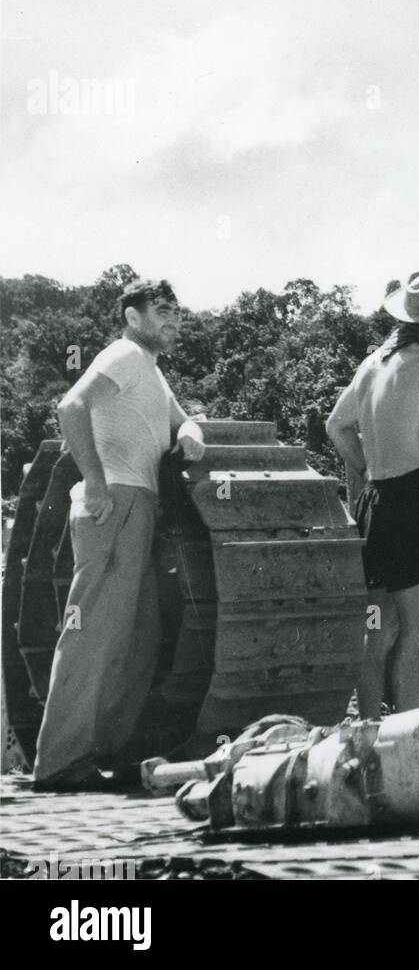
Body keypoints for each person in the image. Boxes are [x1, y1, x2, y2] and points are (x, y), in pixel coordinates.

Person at [33, 279, 206, 790]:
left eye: (177, 311)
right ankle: (61, 762)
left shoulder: (151, 370)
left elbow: (182, 422)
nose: (174, 319)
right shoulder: (125, 355)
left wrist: (191, 431)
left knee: (139, 637)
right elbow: (71, 406)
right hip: (116, 506)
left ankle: (100, 752)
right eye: (162, 311)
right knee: (94, 636)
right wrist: (95, 482)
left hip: (140, 508)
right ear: (133, 317)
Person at [327, 266, 419, 718]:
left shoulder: (371, 363)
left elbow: (336, 425)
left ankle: (371, 731)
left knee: (379, 628)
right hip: (409, 501)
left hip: (374, 502)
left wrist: (367, 469)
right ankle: (409, 733)